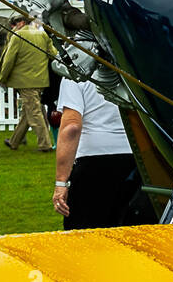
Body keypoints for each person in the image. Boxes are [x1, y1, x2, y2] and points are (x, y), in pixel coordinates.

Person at [52, 77, 153, 230]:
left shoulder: (74, 73)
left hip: (93, 161)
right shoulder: (131, 63)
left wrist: (61, 182)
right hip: (137, 158)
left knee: (85, 237)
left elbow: (71, 126)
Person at [0, 15, 56, 152]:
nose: (14, 25)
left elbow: (9, 59)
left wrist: (2, 77)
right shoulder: (42, 35)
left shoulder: (17, 35)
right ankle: (14, 141)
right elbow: (53, 54)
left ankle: (45, 144)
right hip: (41, 80)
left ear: (22, 22)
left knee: (34, 112)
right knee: (28, 111)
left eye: (15, 22)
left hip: (25, 81)